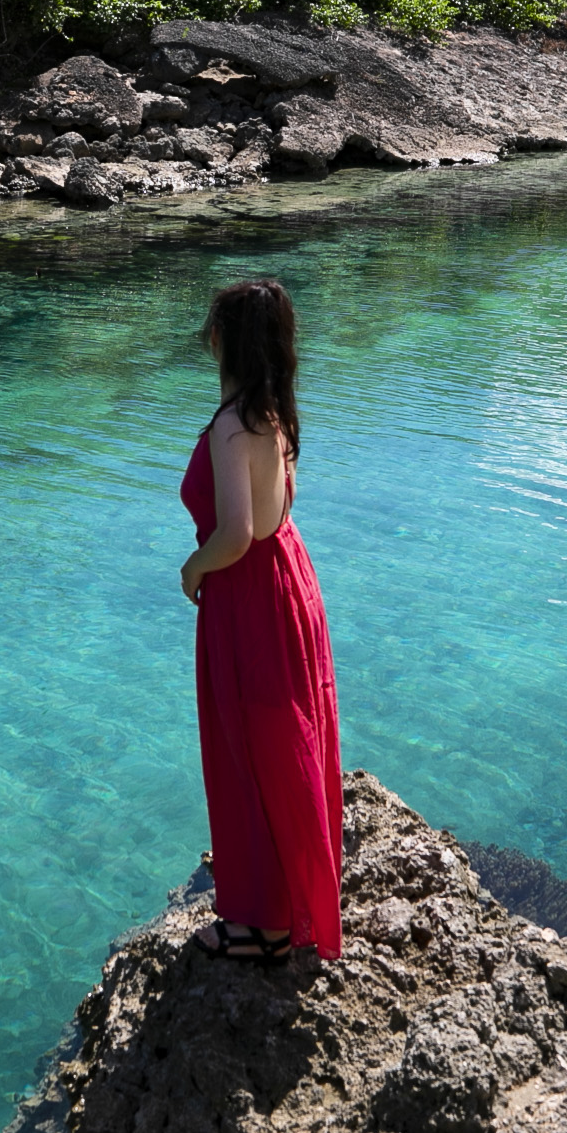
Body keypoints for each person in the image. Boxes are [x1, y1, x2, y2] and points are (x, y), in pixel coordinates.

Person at [177, 277, 344, 962]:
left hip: (248, 594)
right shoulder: (274, 415)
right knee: (287, 740)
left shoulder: (229, 426)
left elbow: (237, 533)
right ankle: (284, 889)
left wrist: (194, 570)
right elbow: (279, 511)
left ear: (225, 339)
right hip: (289, 582)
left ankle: (266, 924)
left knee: (248, 747)